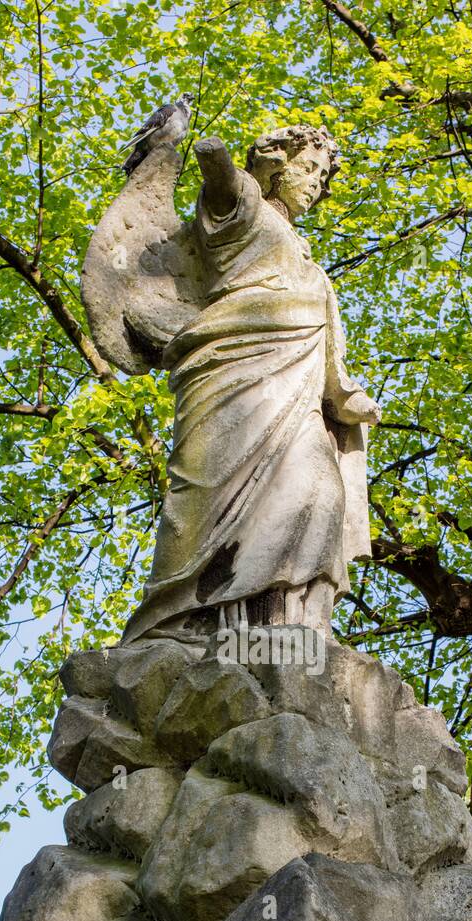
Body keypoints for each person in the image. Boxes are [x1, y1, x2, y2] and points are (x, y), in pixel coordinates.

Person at [121, 125, 381, 643]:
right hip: (231, 379)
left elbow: (328, 351)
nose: (316, 184)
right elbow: (222, 183)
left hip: (300, 396)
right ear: (273, 165)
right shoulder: (245, 207)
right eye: (308, 168)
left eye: (323, 176)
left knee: (317, 494)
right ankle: (178, 623)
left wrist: (345, 397)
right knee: (202, 498)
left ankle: (293, 631)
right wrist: (208, 154)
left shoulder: (307, 258)